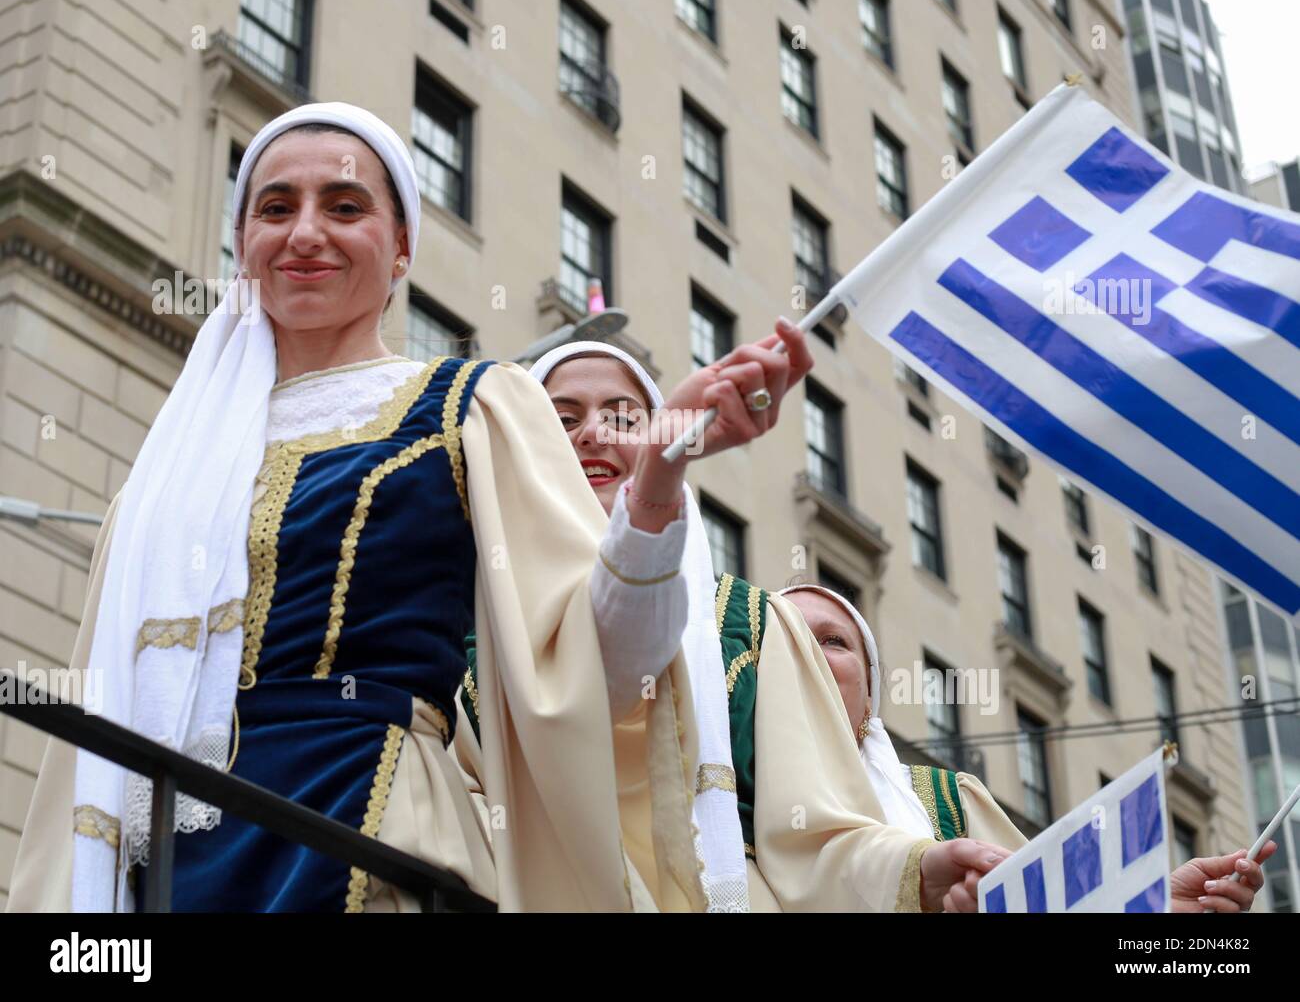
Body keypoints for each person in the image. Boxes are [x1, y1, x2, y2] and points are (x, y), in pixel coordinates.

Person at [5, 102, 791, 913]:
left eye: (345, 207)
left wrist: (656, 478)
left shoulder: (472, 406)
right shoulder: (163, 482)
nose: (305, 232)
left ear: (404, 246)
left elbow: (602, 667)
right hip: (175, 865)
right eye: (276, 208)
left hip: (373, 841)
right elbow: (88, 745)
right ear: (244, 244)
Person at [461, 341, 1014, 912]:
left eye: (623, 418)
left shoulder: (754, 628)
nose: (593, 434)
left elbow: (820, 840)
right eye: (562, 418)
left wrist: (916, 870)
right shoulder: (466, 624)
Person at [778, 582, 1278, 913]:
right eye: (789, 640)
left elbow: (1049, 904)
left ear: (870, 694)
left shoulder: (949, 803)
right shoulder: (718, 803)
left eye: (833, 641)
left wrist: (1154, 905)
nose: (808, 653)